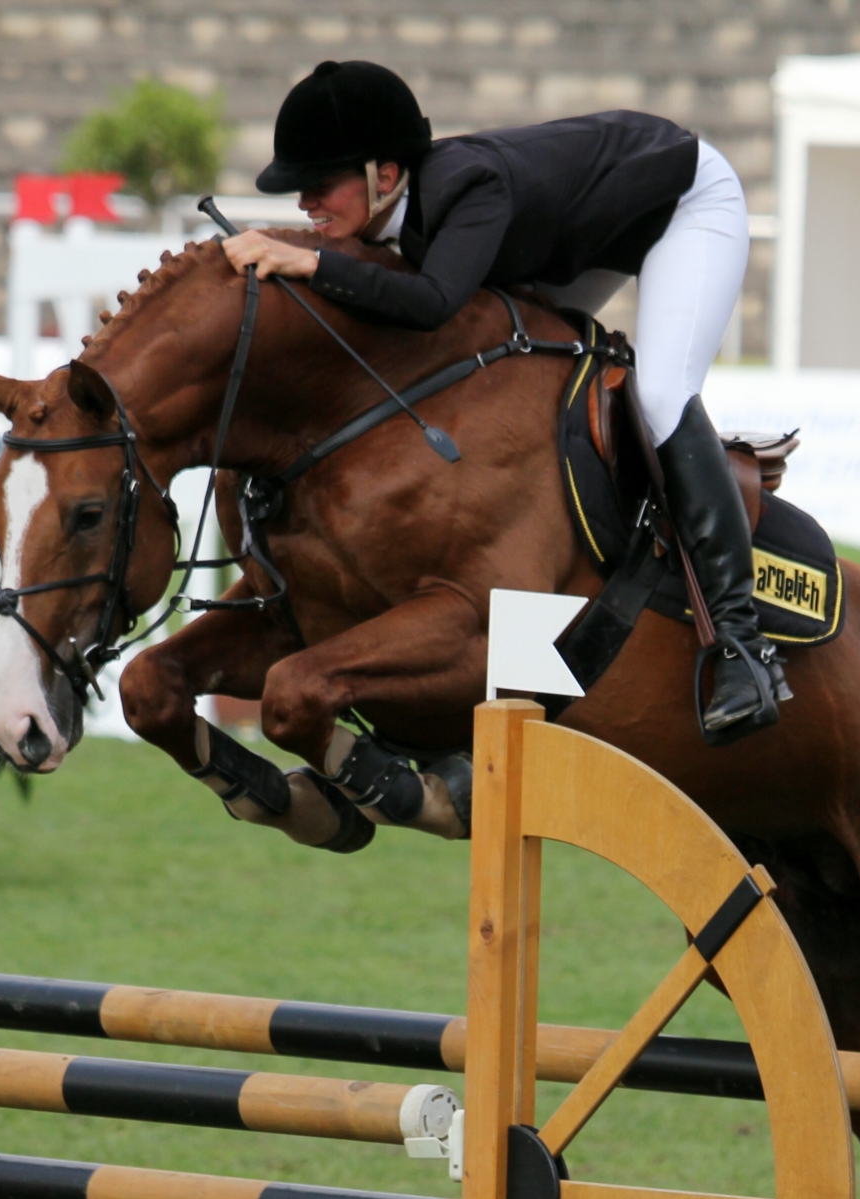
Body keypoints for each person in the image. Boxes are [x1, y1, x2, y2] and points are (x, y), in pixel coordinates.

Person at [223, 59, 788, 742]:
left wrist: (312, 262)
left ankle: (742, 646)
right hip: (584, 234)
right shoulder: (394, 214)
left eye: (319, 185)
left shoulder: (470, 186)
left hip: (683, 204)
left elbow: (432, 302)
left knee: (662, 392)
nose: (305, 204)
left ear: (385, 175)